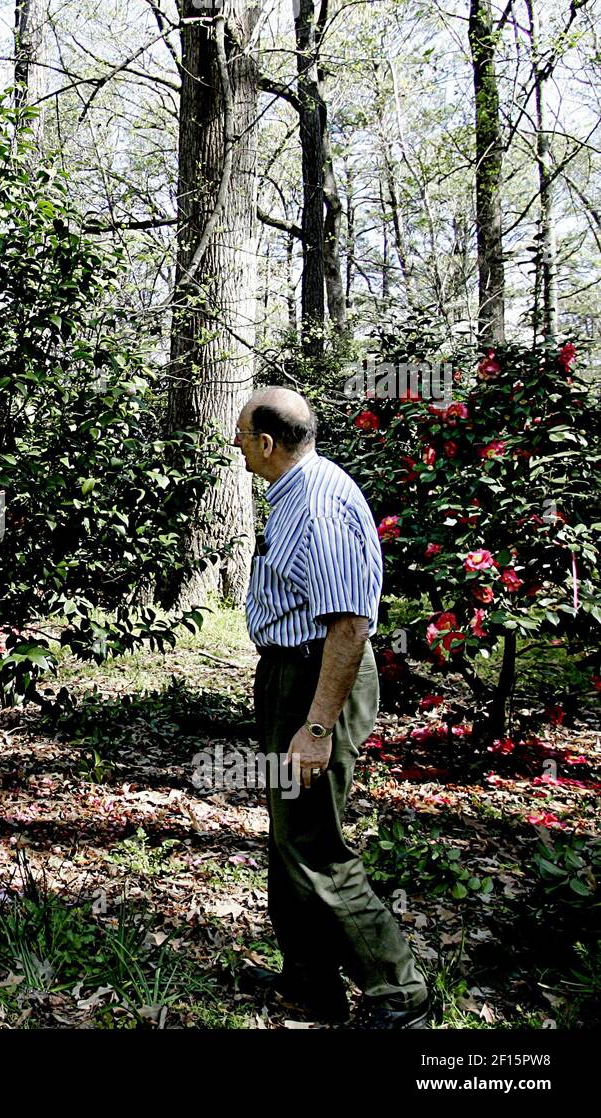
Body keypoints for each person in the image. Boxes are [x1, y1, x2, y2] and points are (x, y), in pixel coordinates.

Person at [233, 386, 430, 1029]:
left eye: (241, 437)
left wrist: (316, 727)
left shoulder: (316, 500)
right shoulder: (291, 493)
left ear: (267, 442)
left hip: (320, 677)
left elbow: (348, 624)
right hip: (291, 672)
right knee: (291, 836)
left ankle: (399, 991)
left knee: (314, 841)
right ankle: (311, 980)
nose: (236, 447)